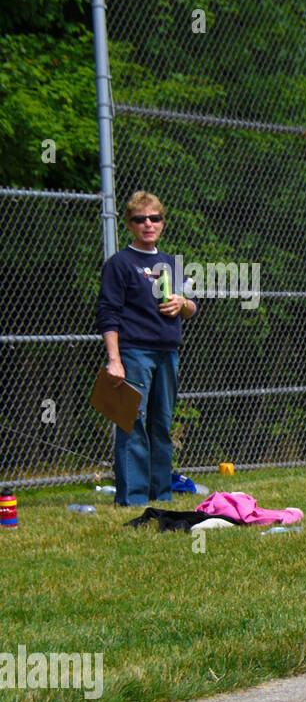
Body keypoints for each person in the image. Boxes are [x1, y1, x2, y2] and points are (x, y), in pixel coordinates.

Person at [97, 191, 198, 506]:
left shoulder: (169, 263)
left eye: (154, 218)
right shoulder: (119, 264)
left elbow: (191, 308)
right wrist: (114, 360)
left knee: (162, 424)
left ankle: (162, 493)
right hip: (134, 353)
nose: (148, 224)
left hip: (168, 353)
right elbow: (108, 314)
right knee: (133, 423)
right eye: (140, 219)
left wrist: (182, 303)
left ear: (163, 223)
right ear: (129, 224)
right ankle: (133, 498)